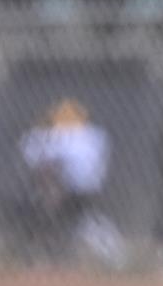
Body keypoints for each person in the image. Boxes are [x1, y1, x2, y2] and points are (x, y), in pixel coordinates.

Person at [20, 98, 123, 268]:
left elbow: (50, 168)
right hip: (82, 190)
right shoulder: (93, 136)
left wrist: (53, 191)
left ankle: (50, 254)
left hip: (72, 192)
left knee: (80, 223)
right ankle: (51, 253)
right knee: (82, 222)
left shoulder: (62, 137)